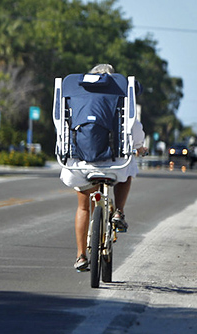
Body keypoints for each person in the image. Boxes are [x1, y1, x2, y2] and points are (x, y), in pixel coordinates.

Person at [58, 64, 148, 272]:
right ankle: (119, 212)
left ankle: (81, 255)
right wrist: (139, 148)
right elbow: (134, 131)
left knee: (83, 207)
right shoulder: (119, 99)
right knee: (128, 171)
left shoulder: (75, 97)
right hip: (114, 165)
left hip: (81, 166)